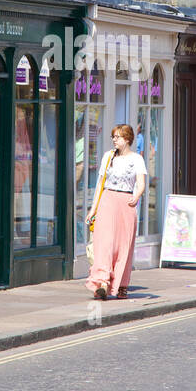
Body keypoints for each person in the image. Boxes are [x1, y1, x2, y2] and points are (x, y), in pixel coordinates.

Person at [85, 123, 146, 300]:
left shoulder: (137, 159)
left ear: (127, 139)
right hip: (107, 201)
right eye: (113, 136)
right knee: (104, 244)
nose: (114, 140)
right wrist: (92, 209)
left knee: (122, 247)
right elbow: (99, 186)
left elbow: (141, 183)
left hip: (126, 204)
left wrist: (137, 196)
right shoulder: (108, 156)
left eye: (117, 137)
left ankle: (122, 284)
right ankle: (102, 282)